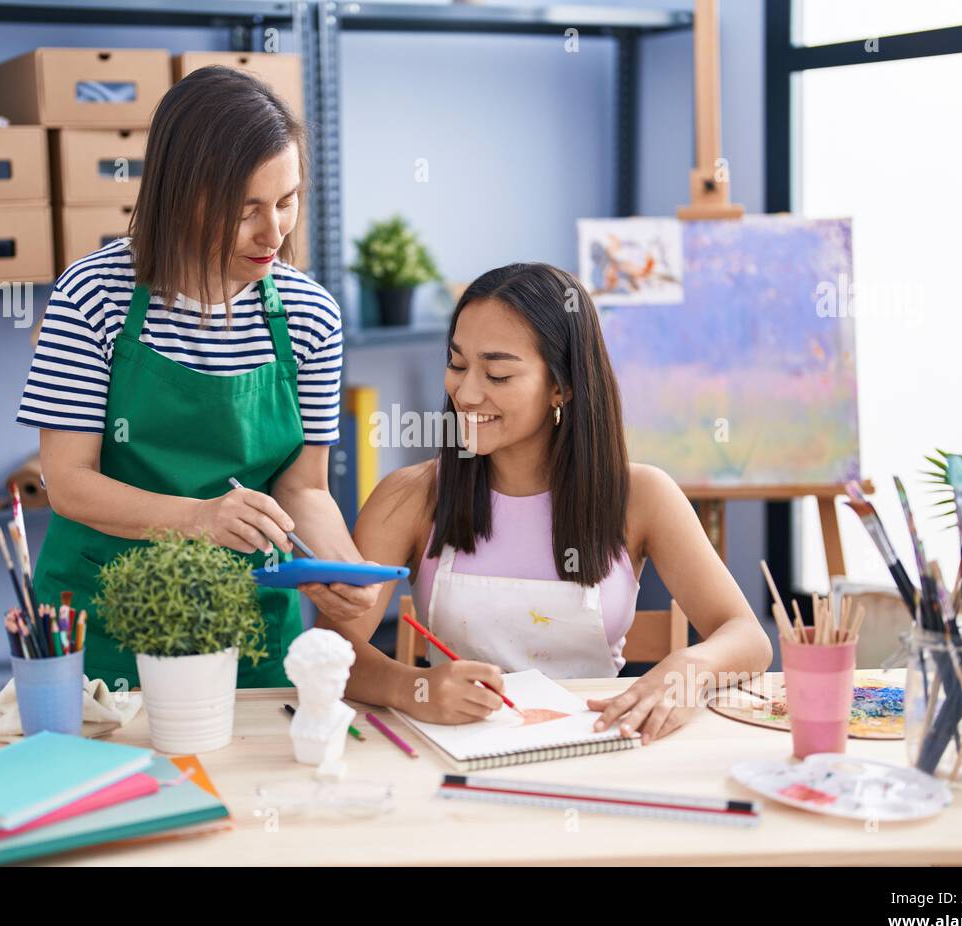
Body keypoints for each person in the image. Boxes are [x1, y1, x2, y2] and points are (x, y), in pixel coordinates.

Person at [15, 67, 378, 689]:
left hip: (249, 629)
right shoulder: (92, 295)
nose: (274, 234)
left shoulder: (311, 313)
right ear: (181, 196)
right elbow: (68, 482)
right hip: (102, 632)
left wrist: (341, 566)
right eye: (247, 212)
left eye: (286, 202)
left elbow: (303, 488)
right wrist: (200, 518)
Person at [318, 262, 772, 742]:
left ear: (562, 386)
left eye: (497, 374)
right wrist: (414, 687)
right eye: (457, 364)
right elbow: (328, 649)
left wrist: (689, 666)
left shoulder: (643, 496)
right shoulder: (409, 496)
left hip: (596, 750)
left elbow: (746, 636)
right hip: (451, 759)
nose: (467, 393)